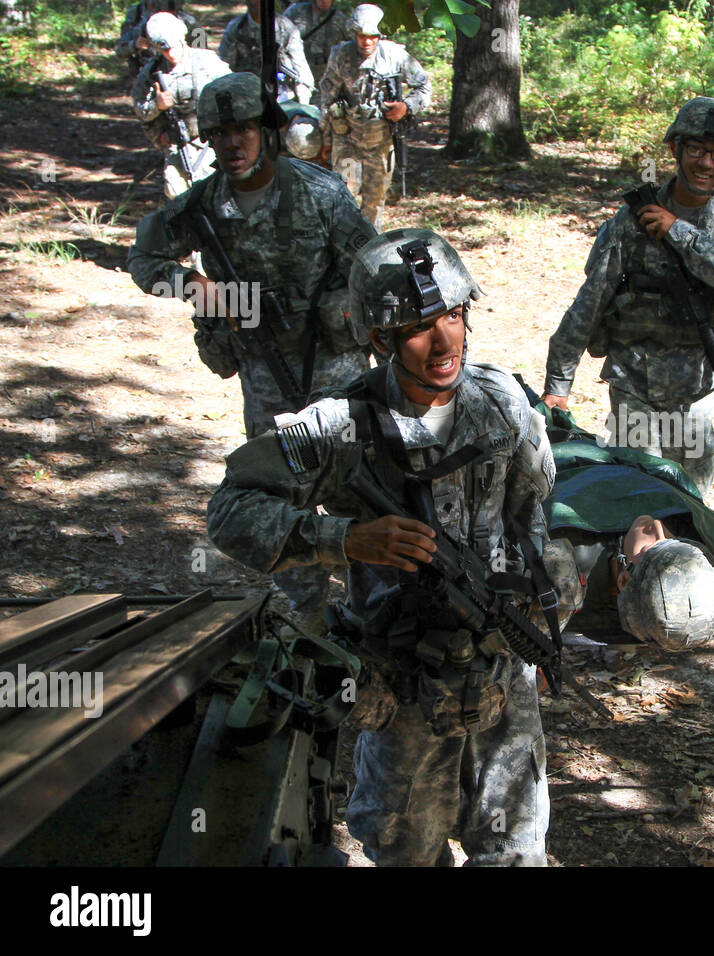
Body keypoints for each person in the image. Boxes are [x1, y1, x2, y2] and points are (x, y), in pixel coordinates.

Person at [207, 228, 569, 866]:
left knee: (516, 851)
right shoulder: (340, 426)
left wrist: (534, 609)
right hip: (404, 683)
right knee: (405, 850)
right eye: (418, 325)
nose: (445, 340)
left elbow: (532, 514)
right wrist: (343, 539)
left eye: (455, 315)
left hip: (499, 668)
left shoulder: (505, 404)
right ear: (378, 339)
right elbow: (229, 512)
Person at [127, 71, 376, 626]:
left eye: (243, 129)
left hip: (336, 367)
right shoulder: (203, 206)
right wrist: (197, 288)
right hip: (262, 370)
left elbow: (374, 267)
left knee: (358, 486)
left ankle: (374, 610)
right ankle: (306, 617)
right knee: (277, 491)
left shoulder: (319, 192)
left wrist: (349, 311)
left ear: (265, 131)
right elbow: (142, 260)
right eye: (219, 134)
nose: (232, 144)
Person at [540, 96, 714, 494]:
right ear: (674, 149)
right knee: (636, 494)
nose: (706, 163)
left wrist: (679, 231)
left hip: (698, 386)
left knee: (690, 497)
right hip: (634, 379)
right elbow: (589, 302)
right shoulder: (633, 220)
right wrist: (558, 384)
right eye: (696, 149)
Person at [535, 402, 714, 651]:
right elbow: (670, 473)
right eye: (678, 541)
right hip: (575, 452)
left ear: (625, 580)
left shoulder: (565, 555)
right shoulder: (708, 536)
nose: (657, 528)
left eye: (650, 551)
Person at [318, 3, 431, 228]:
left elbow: (424, 87)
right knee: (343, 196)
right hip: (347, 138)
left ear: (380, 35)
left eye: (372, 36)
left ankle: (370, 250)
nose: (366, 41)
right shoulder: (341, 55)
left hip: (380, 142)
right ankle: (343, 252)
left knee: (374, 202)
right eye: (361, 35)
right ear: (354, 33)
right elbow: (327, 96)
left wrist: (406, 107)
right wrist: (326, 138)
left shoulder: (395, 55)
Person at [130, 12, 230, 200]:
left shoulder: (208, 62)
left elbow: (235, 96)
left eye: (174, 46)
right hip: (179, 143)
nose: (171, 53)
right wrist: (156, 106)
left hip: (215, 140)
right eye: (164, 50)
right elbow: (139, 108)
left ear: (182, 38)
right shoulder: (152, 73)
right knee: (177, 192)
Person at [218, 0, 315, 104]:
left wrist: (303, 103)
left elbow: (301, 69)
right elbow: (224, 69)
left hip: (281, 96)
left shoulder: (285, 28)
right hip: (244, 97)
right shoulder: (236, 28)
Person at [115, 0, 206, 80]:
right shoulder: (140, 20)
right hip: (147, 76)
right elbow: (119, 50)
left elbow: (202, 55)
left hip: (183, 76)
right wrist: (135, 45)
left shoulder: (191, 24)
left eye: (173, 12)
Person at [284, 0, 352, 105]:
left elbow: (353, 45)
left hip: (326, 78)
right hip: (297, 74)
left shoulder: (340, 19)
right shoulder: (295, 12)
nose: (324, 1)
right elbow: (280, 34)